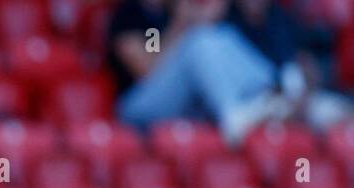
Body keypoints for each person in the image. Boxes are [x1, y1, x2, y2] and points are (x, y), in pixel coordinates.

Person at [107, 0, 287, 143]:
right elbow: (147, 71)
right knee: (200, 42)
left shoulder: (172, 8)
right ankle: (232, 112)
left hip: (184, 106)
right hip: (139, 108)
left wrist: (210, 13)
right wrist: (183, 23)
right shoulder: (132, 14)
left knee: (221, 35)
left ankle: (275, 89)